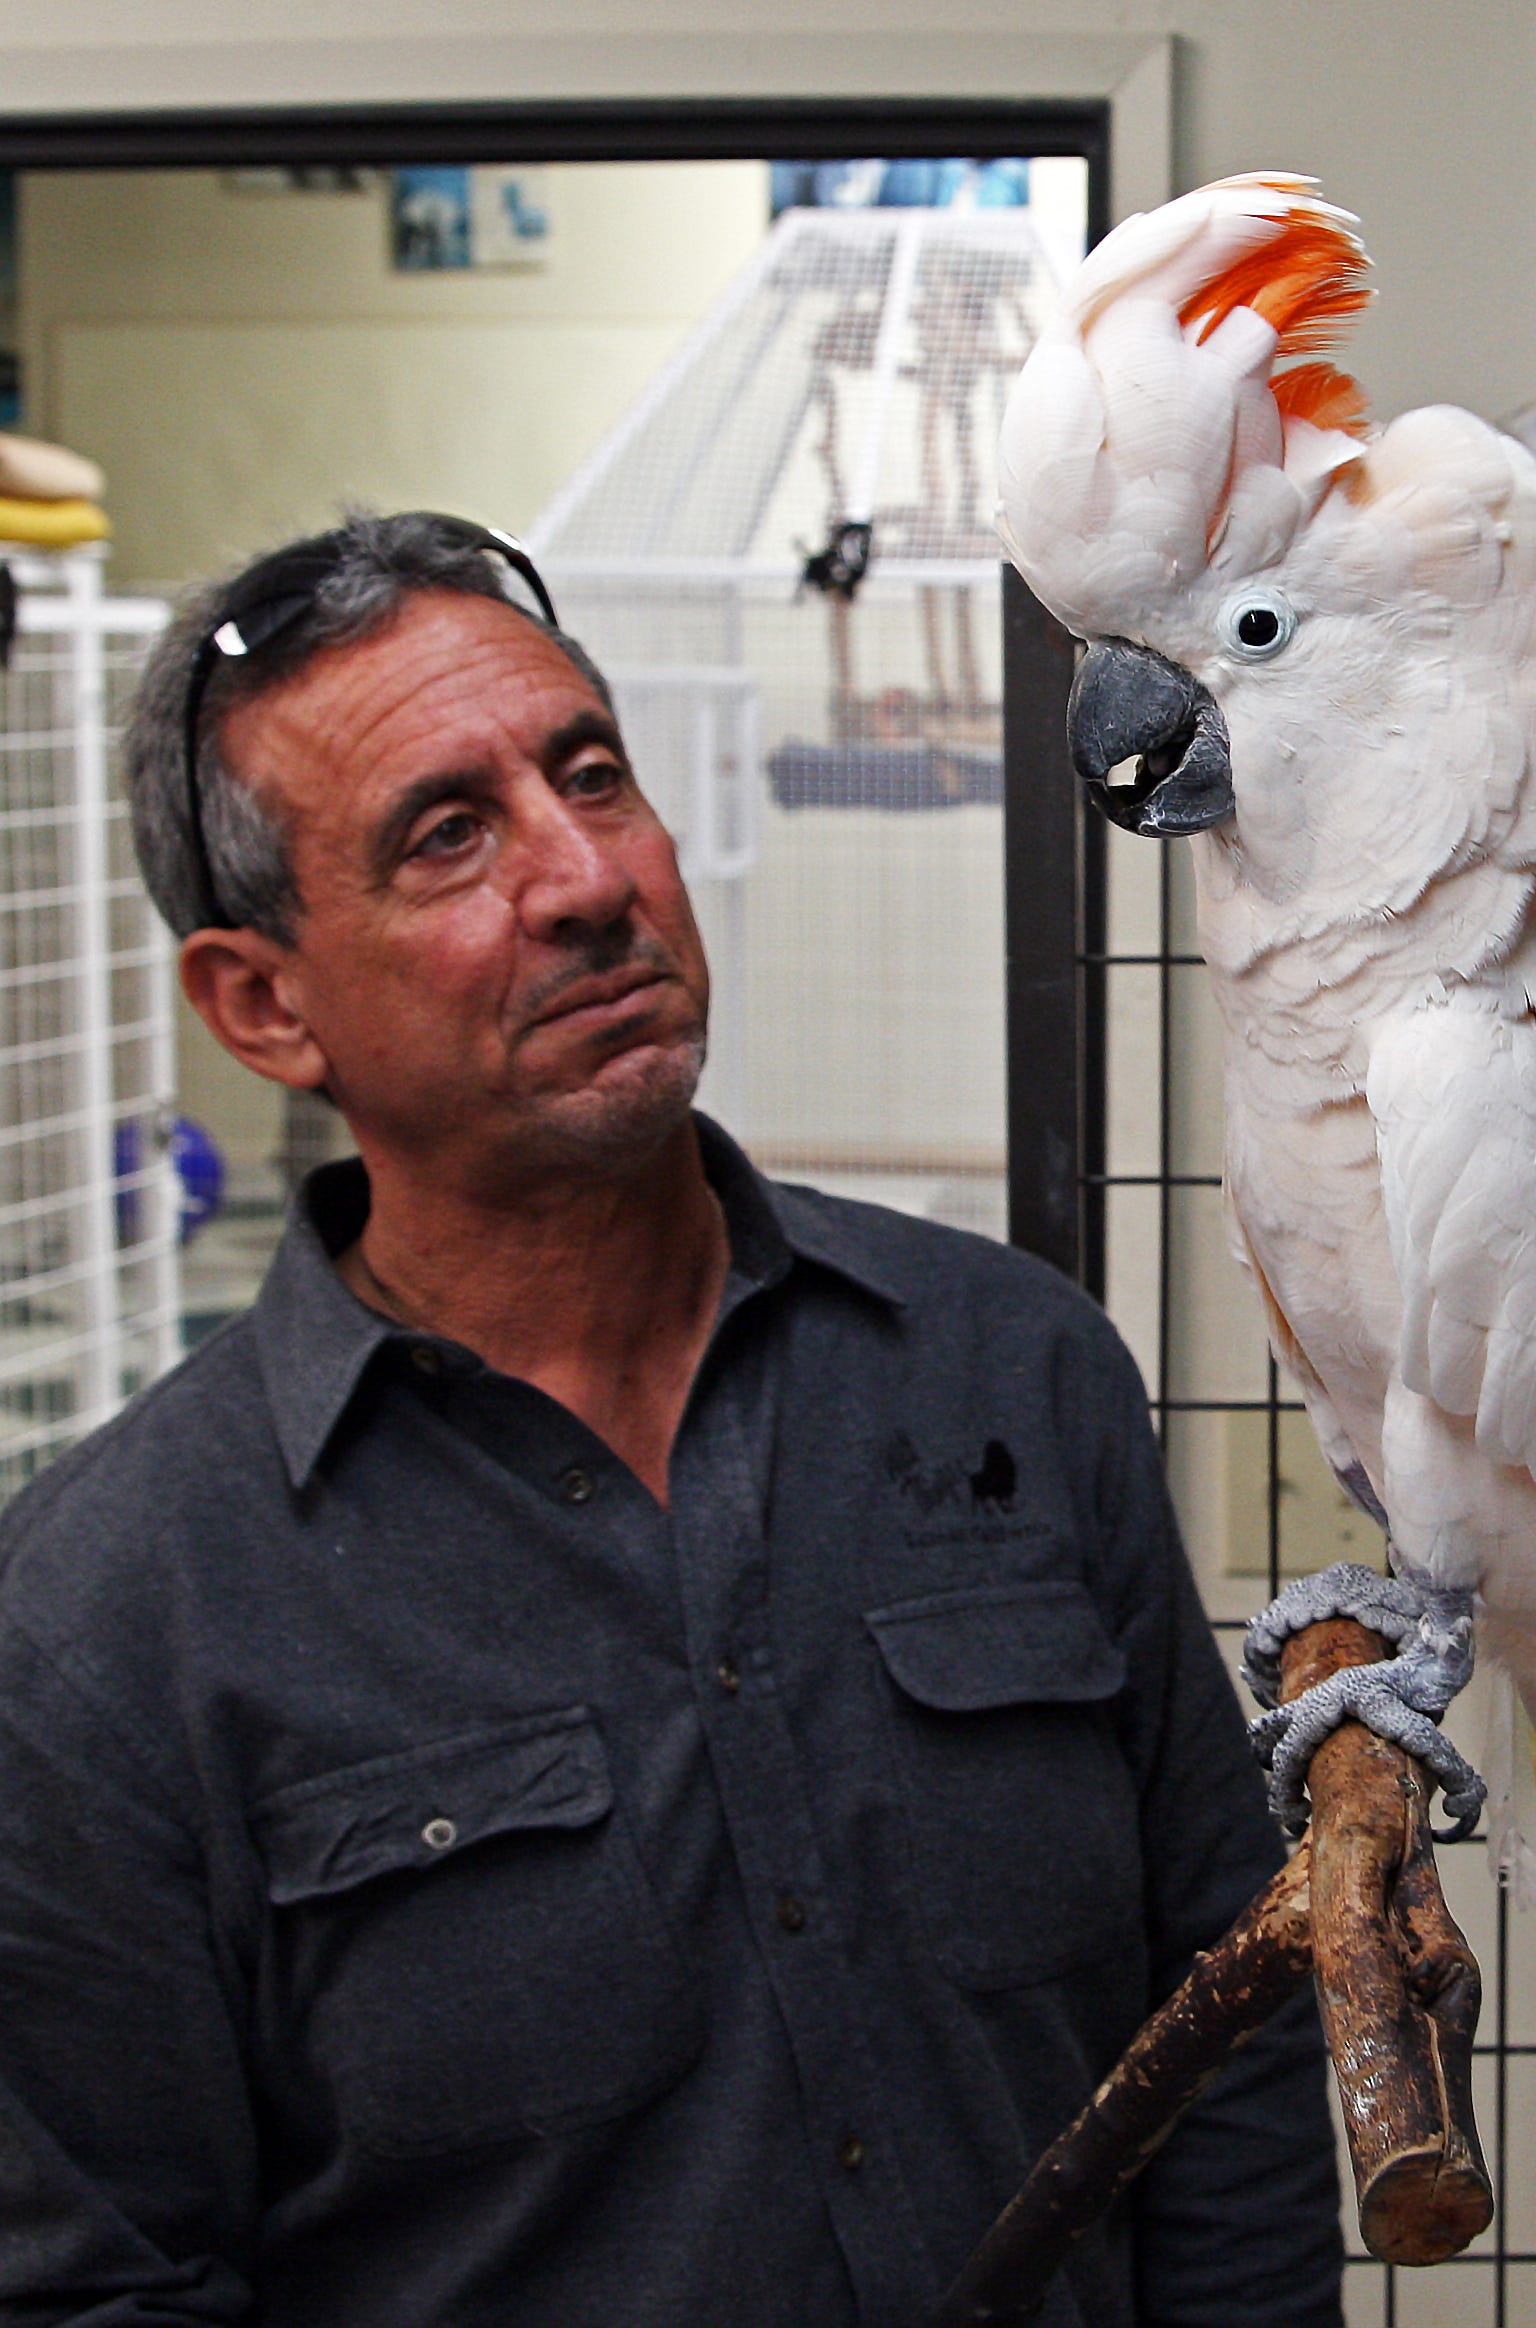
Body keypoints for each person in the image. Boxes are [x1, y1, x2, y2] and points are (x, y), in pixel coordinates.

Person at [0, 512, 1343, 2326]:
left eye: (593, 775)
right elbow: (101, 2288)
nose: (582, 876)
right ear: (264, 1003)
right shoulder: (108, 1624)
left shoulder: (1006, 1370)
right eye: (447, 835)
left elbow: (1227, 2014)